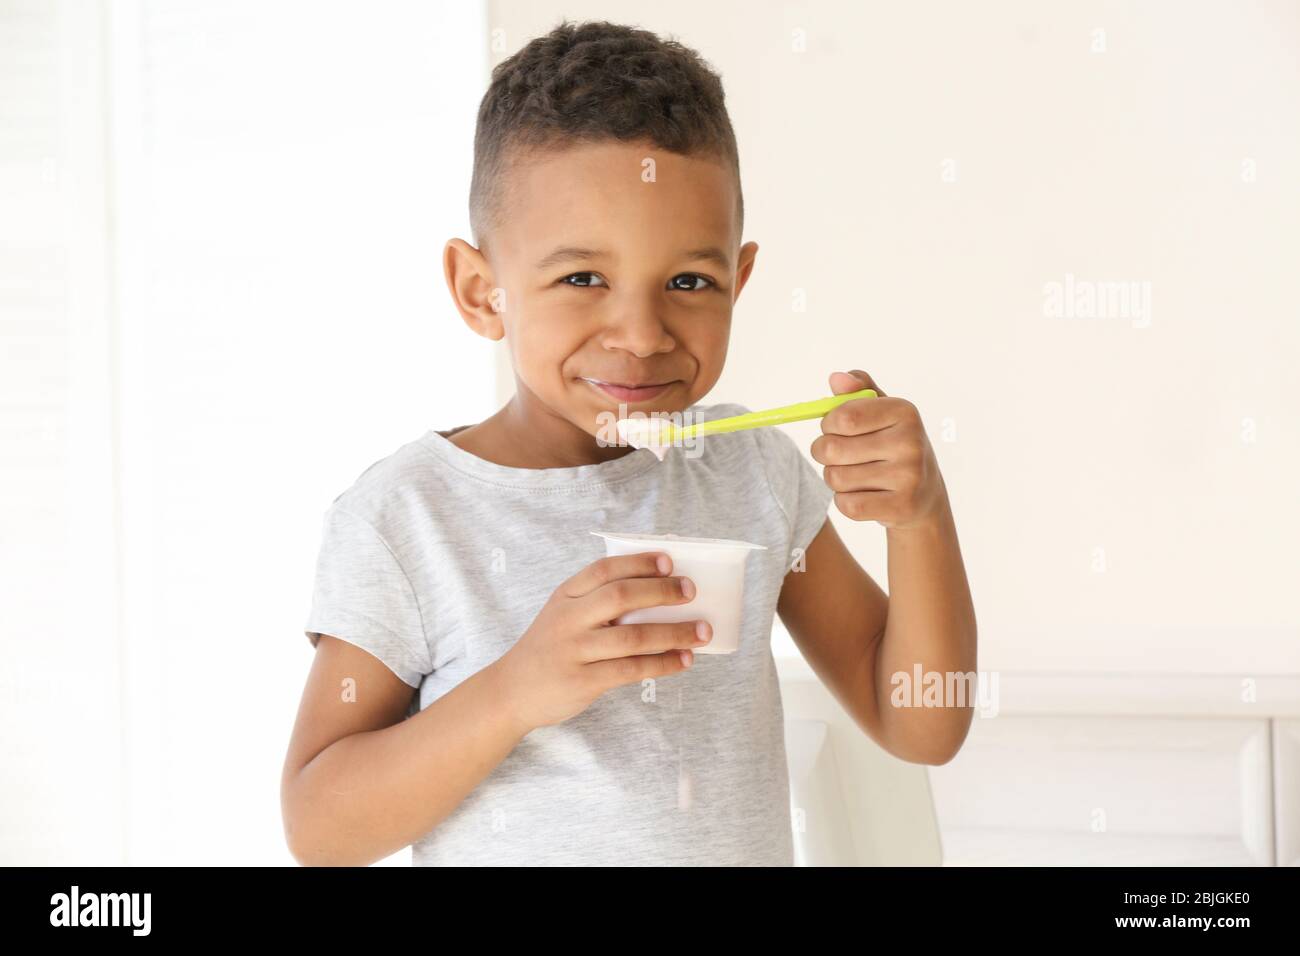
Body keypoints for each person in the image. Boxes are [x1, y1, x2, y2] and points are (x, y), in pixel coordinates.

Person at [281, 19, 976, 866]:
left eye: (689, 281)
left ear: (739, 279)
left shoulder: (751, 471)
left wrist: (921, 520)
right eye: (582, 278)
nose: (642, 334)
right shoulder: (408, 519)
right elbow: (319, 829)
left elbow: (921, 722)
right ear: (481, 290)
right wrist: (514, 690)